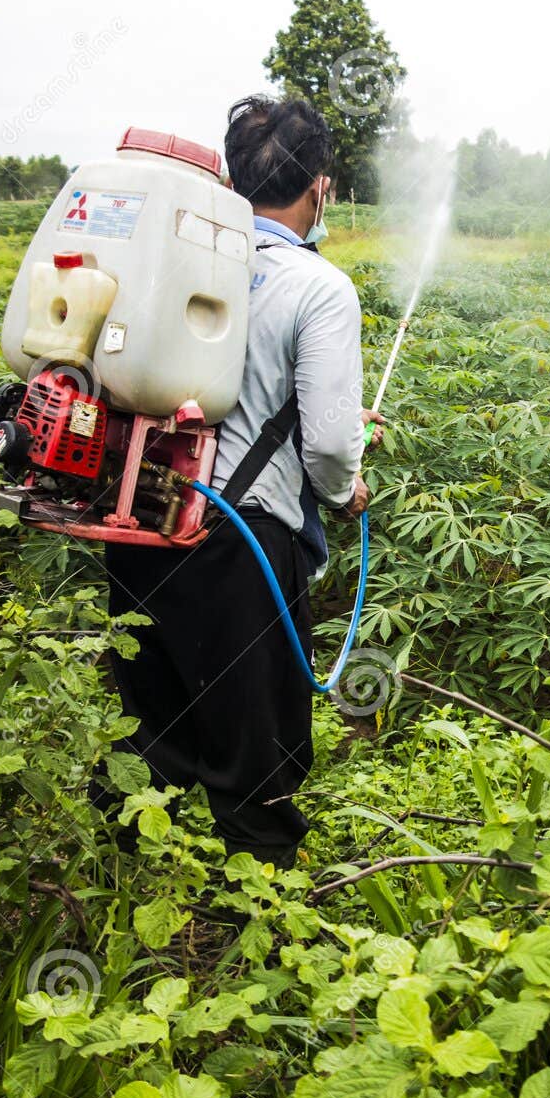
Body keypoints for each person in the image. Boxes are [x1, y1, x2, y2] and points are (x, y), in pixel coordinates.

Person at [103, 95, 380, 867]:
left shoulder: (178, 258)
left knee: (151, 731)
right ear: (319, 186)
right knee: (258, 755)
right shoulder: (319, 287)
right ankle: (255, 938)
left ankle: (119, 898)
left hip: (142, 519)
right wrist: (345, 485)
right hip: (242, 547)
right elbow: (327, 447)